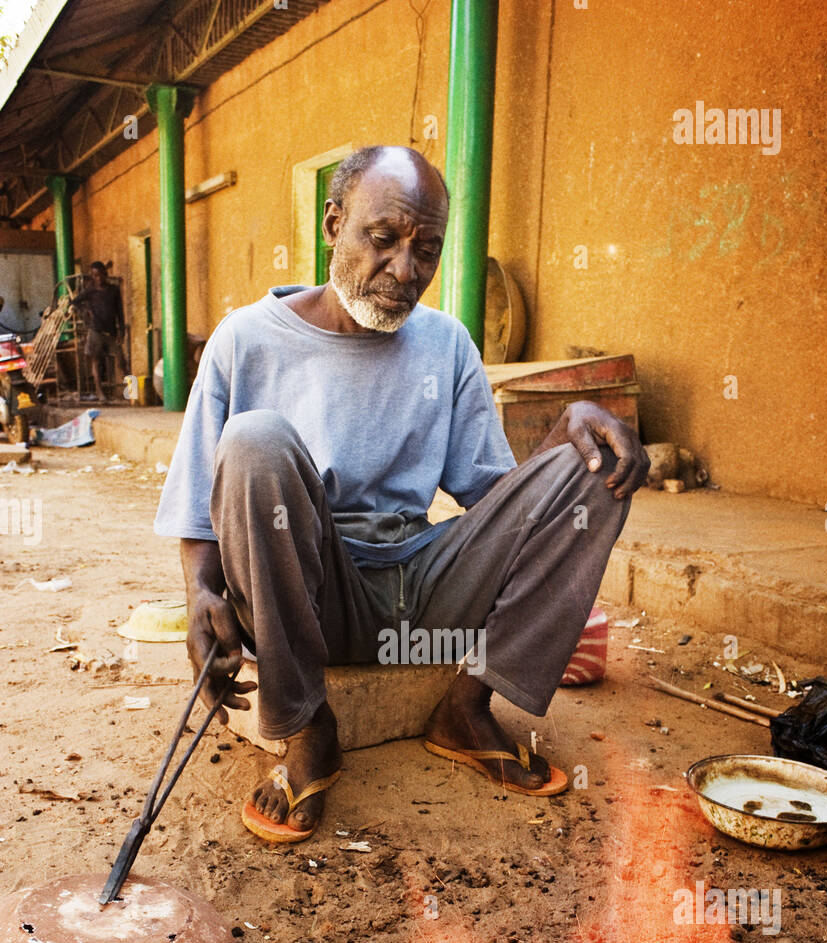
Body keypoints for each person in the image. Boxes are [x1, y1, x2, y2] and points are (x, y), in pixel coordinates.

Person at [155, 145, 649, 845]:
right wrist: (200, 594)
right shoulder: (246, 339)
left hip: (421, 587)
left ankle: (467, 707)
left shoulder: (446, 344)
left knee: (592, 463)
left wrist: (561, 441)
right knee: (256, 439)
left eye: (427, 250)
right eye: (381, 240)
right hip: (309, 591)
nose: (404, 270)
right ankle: (305, 726)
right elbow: (195, 507)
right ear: (332, 225)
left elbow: (493, 500)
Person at [72, 261, 126, 401]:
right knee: (96, 361)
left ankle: (131, 393)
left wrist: (122, 330)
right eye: (95, 275)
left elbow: (120, 311)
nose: (98, 278)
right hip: (96, 330)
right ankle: (100, 393)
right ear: (92, 276)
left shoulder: (113, 290)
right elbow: (75, 302)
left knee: (122, 361)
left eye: (100, 274)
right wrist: (86, 311)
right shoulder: (90, 290)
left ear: (105, 274)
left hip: (111, 331)